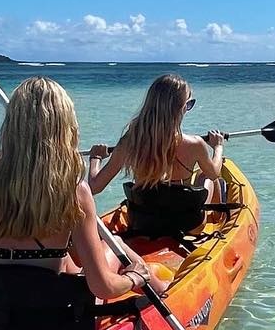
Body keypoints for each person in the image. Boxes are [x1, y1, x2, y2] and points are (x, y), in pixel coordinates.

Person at [0, 77, 168, 330]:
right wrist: (135, 277)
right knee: (112, 244)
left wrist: (5, 154)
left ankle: (151, 280)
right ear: (66, 127)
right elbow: (103, 287)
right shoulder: (74, 192)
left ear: (10, 127)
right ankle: (155, 283)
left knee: (68, 262)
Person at [86, 73, 226, 236]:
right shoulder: (195, 144)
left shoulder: (130, 141)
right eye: (189, 104)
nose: (188, 109)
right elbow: (214, 172)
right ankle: (219, 221)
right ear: (181, 108)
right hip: (187, 225)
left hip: (142, 222)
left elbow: (94, 187)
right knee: (207, 177)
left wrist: (95, 158)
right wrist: (218, 147)